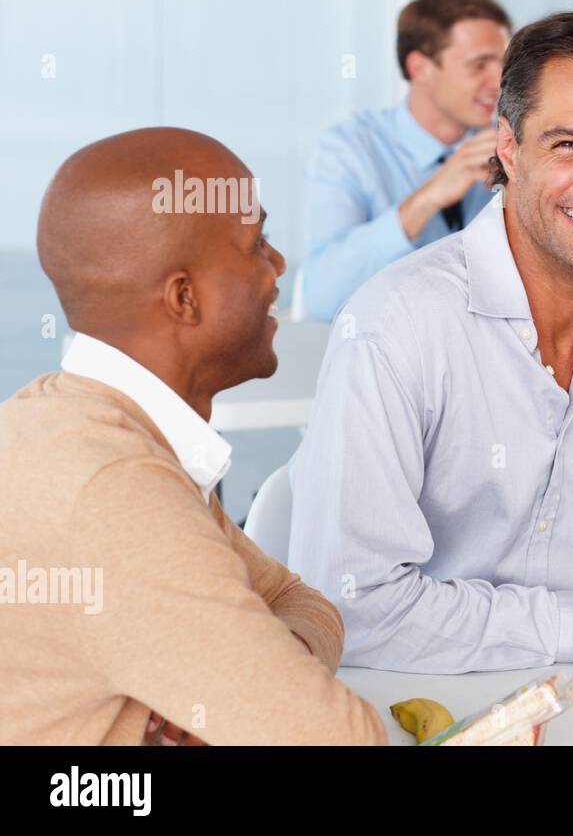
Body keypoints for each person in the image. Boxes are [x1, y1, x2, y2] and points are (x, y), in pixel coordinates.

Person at [288, 11, 573, 674]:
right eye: (568, 144)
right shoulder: (396, 324)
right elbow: (356, 606)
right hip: (408, 696)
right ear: (507, 149)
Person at [0, 128, 386, 744]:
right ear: (184, 298)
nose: (280, 264)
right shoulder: (114, 491)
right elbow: (341, 738)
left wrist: (256, 673)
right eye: (256, 243)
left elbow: (299, 600)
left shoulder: (74, 418)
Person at [300, 0, 512, 320]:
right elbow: (323, 299)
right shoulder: (349, 150)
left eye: (503, 63)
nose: (498, 81)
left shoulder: (509, 146)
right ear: (420, 68)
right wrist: (428, 198)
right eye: (479, 65)